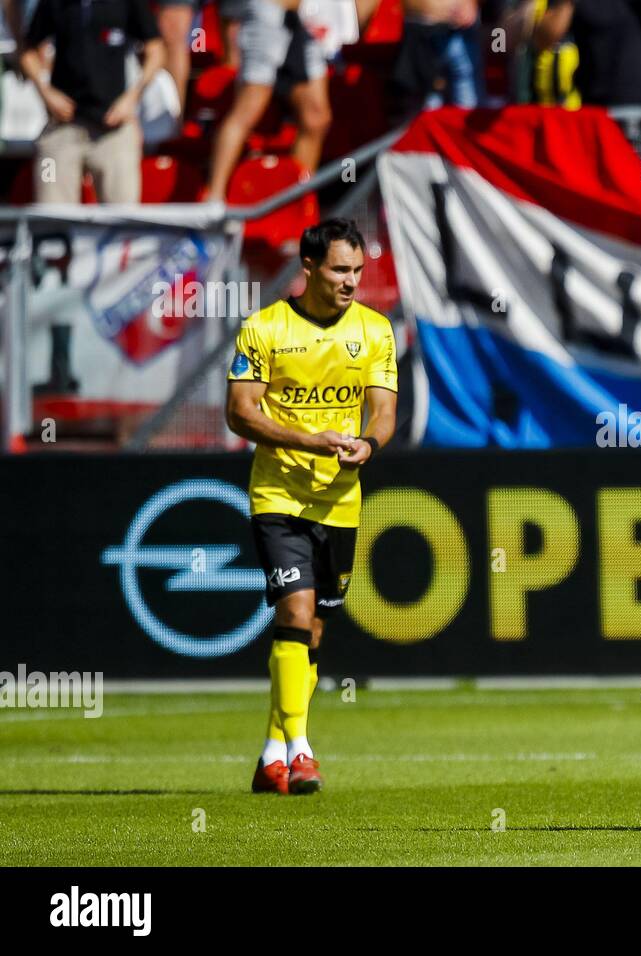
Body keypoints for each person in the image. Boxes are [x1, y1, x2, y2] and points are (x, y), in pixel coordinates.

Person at [226, 218, 398, 795]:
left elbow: (384, 413)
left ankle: (273, 751)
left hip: (340, 499)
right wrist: (311, 440)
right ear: (308, 268)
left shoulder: (375, 331)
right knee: (296, 611)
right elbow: (240, 413)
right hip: (277, 493)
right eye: (339, 270)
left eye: (357, 270)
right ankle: (301, 751)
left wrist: (367, 444)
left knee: (314, 628)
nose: (351, 281)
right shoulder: (264, 328)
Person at [20, 0, 164, 203]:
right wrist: (46, 91)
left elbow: (156, 49)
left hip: (114, 128)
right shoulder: (53, 3)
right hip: (62, 128)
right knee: (50, 211)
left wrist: (132, 97)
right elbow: (28, 51)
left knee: (123, 220)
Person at [204, 0, 334, 201]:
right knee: (248, 108)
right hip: (270, 11)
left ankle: (295, 200)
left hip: (302, 20)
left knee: (316, 117)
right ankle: (213, 199)